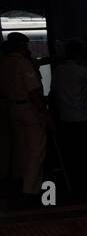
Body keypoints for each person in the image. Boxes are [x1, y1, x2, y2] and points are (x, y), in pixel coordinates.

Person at [0, 33, 50, 202]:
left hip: (11, 108)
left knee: (20, 147)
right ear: (22, 46)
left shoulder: (4, 63)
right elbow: (34, 91)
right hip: (28, 108)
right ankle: (31, 189)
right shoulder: (23, 64)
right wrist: (44, 112)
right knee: (36, 149)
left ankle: (18, 179)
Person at [50, 42, 87, 187]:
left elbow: (53, 92)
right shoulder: (81, 71)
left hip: (65, 115)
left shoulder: (58, 70)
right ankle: (86, 179)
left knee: (71, 151)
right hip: (82, 115)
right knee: (85, 150)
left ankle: (74, 179)